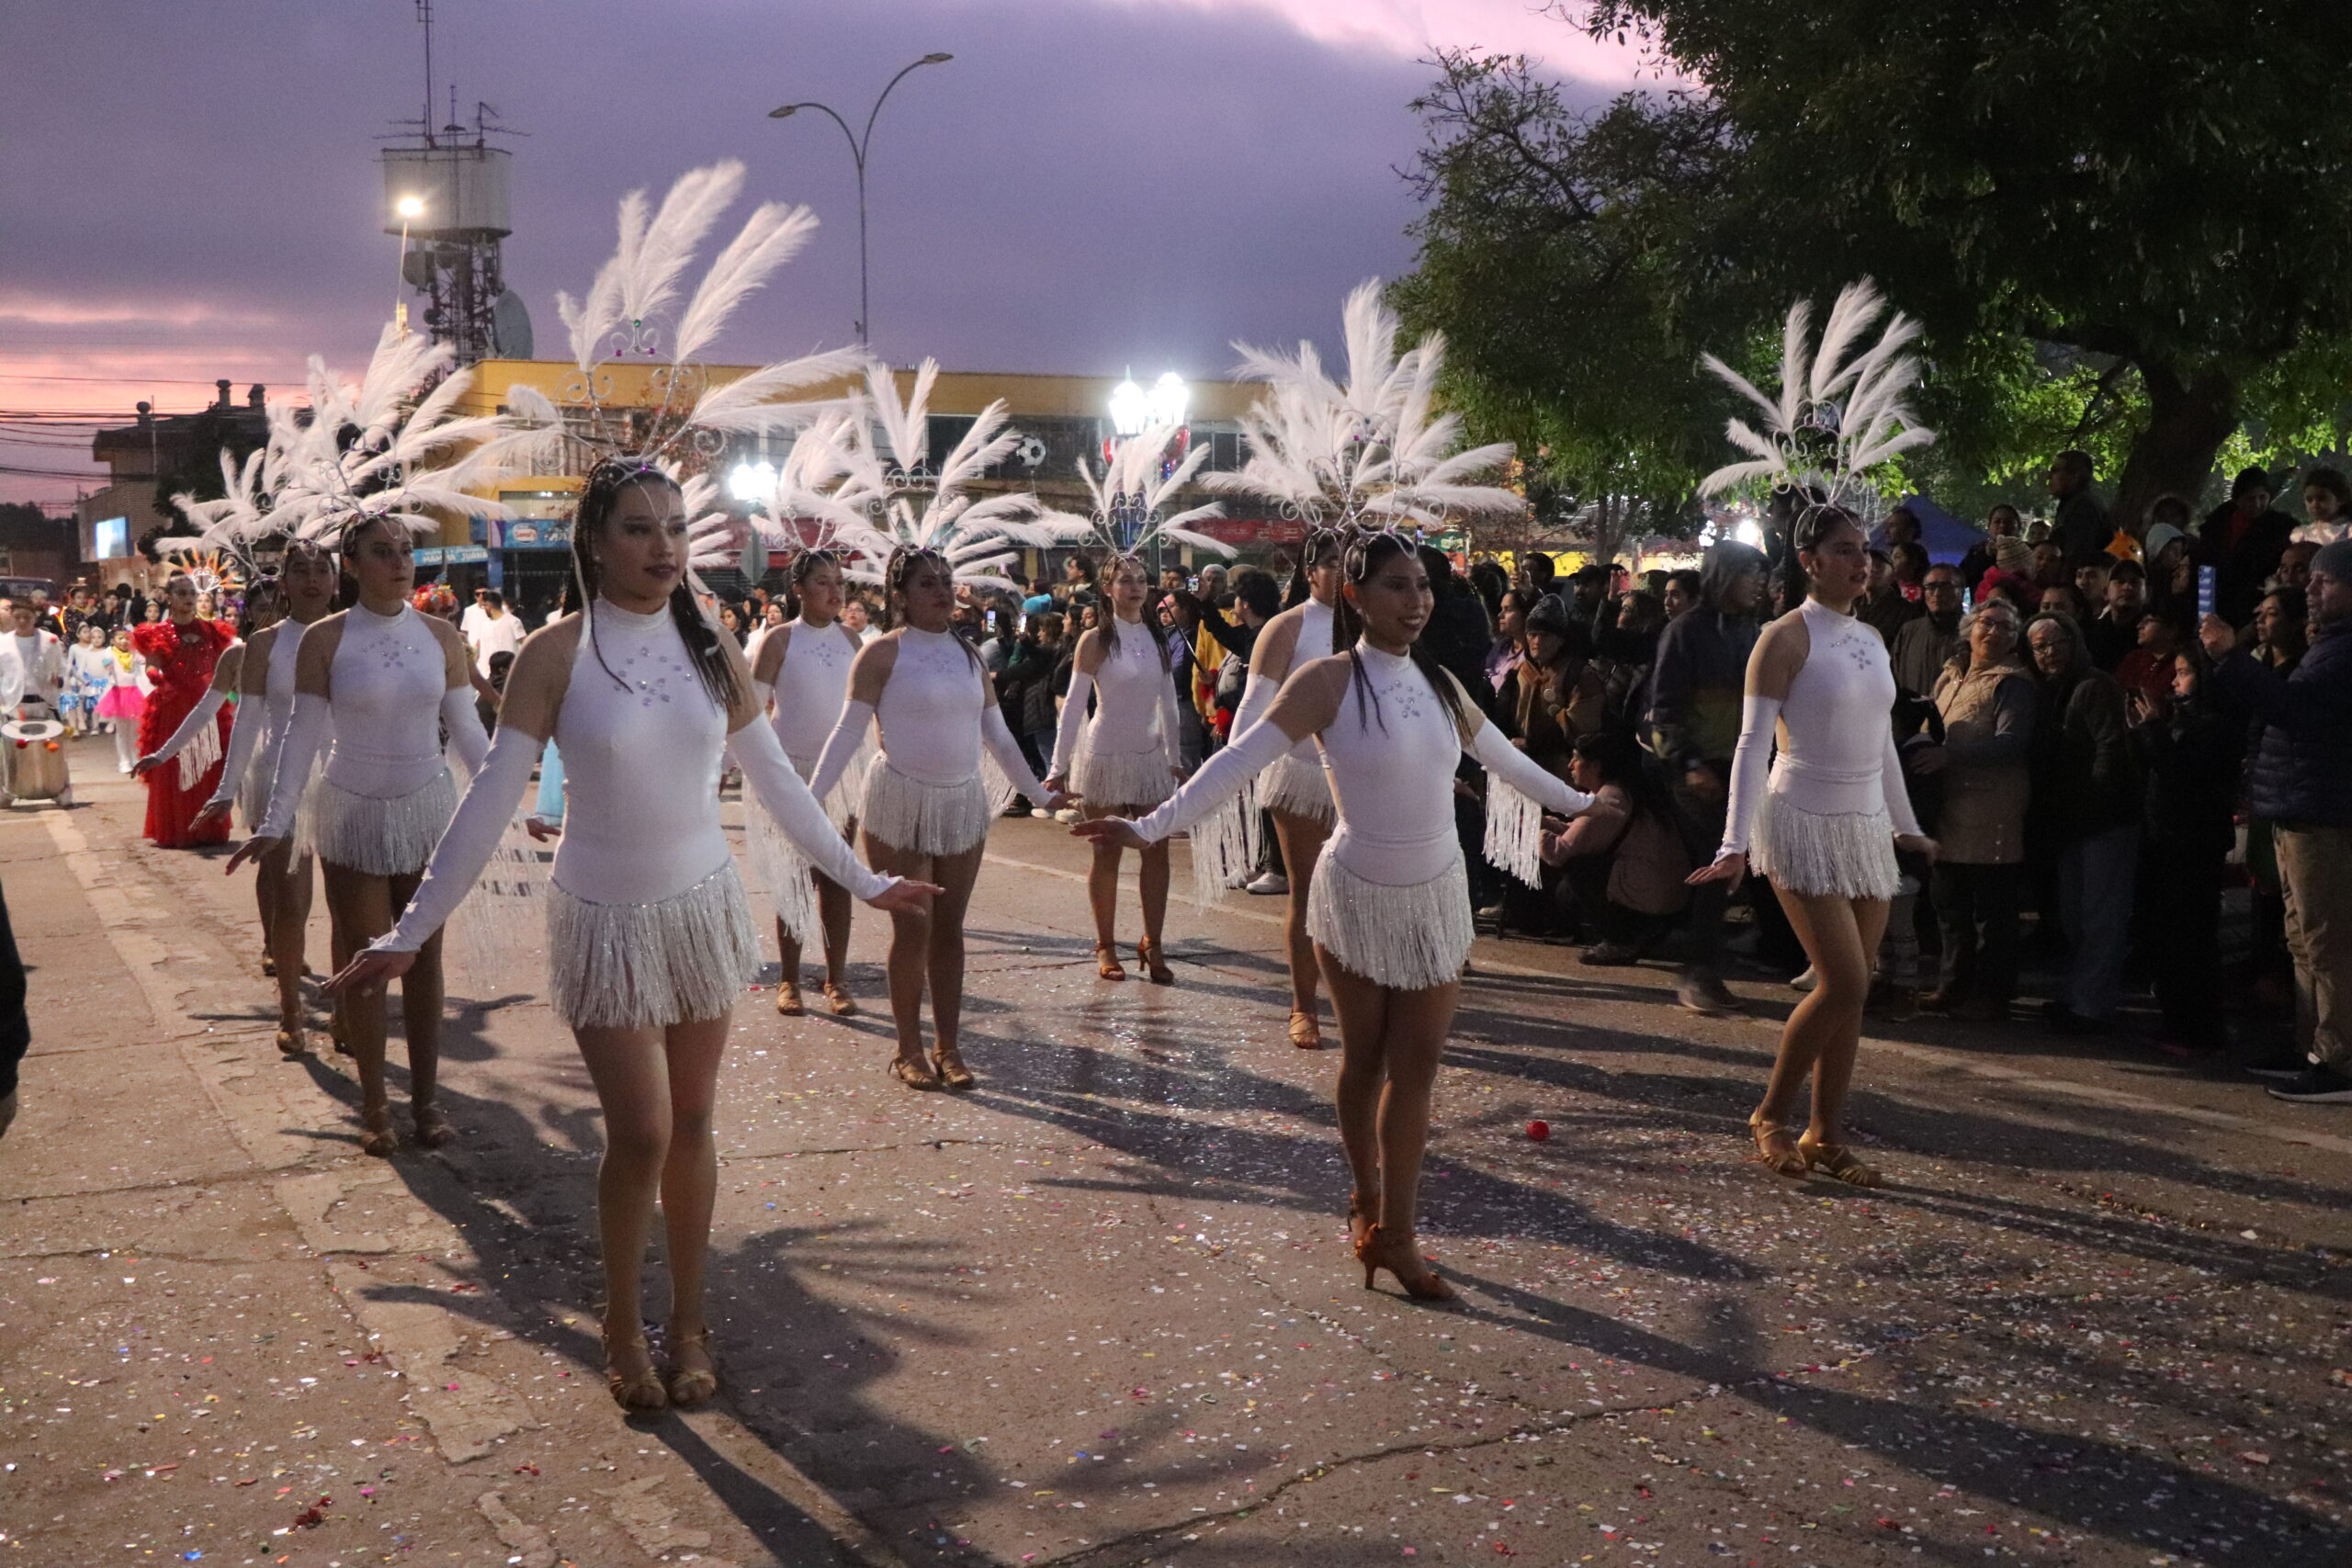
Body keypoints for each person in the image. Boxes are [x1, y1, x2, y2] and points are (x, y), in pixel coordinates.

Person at [329, 462, 937, 1409]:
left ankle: (688, 1318)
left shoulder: (713, 645)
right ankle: (621, 1318)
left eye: (675, 527)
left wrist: (863, 878)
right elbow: (493, 796)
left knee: (692, 1124)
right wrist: (412, 929)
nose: (663, 546)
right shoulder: (554, 654)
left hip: (700, 907)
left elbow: (774, 778)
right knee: (642, 1133)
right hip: (601, 914)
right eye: (640, 528)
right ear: (596, 541)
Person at [1078, 531, 1590, 1299]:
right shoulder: (1326, 681)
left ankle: (1397, 1235)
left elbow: (1508, 765)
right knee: (1366, 1061)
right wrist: (1149, 825)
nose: (1415, 600)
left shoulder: (1444, 684)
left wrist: (1588, 803)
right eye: (1395, 585)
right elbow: (1237, 759)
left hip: (1437, 895)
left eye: (1421, 585)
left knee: (1417, 1067)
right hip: (1354, 892)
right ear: (1355, 594)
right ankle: (1366, 1195)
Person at [1690, 508, 1935, 1187]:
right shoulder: (1783, 637)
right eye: (1844, 550)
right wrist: (1735, 842)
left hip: (1864, 828)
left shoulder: (1871, 639)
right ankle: (1770, 1114)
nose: (1862, 562)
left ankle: (1826, 1131)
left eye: (1867, 551)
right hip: (1800, 818)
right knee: (1846, 980)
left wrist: (1905, 824)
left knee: (1855, 993)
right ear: (1809, 559)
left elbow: (1882, 740)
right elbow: (1749, 744)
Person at [231, 515, 490, 1153]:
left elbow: (470, 734)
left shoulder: (441, 635)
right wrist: (275, 819)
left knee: (425, 959)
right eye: (382, 552)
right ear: (352, 563)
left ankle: (427, 1100)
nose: (400, 563)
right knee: (371, 958)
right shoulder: (326, 638)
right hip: (351, 811)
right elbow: (301, 738)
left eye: (406, 551)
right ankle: (376, 1102)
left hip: (427, 807)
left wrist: (513, 802)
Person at [808, 547, 1063, 1091]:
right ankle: (907, 1049)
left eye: (946, 581)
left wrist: (1042, 796)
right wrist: (809, 801)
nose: (943, 591)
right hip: (898, 800)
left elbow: (996, 735)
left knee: (950, 929)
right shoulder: (880, 654)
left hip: (960, 801)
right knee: (914, 924)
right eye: (928, 583)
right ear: (900, 594)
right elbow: (846, 735)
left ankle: (949, 1045)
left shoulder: (971, 656)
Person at [2203, 538, 2352, 1101]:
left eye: (2325, 581)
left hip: (2326, 814)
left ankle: (2340, 1060)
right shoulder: (2328, 645)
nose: (2309, 590)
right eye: (2309, 580)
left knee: (2327, 940)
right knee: (2302, 938)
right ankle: (2311, 1045)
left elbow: (2298, 712)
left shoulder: (2344, 652)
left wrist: (2229, 659)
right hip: (2299, 809)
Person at [192, 545, 338, 1053]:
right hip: (283, 780)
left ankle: (347, 1009)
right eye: (302, 570)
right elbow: (248, 721)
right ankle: (291, 1010)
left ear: (339, 581)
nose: (314, 580)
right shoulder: (266, 645)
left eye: (324, 570)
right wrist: (226, 789)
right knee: (291, 901)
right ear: (285, 583)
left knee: (348, 909)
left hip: (346, 781)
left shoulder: (352, 635)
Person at [1227, 526, 1347, 1047]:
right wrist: (1230, 773)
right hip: (1299, 776)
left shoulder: (1375, 624)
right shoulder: (1287, 627)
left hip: (1362, 778)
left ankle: (1358, 1003)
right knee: (1308, 891)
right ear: (1310, 571)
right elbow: (1254, 713)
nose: (1343, 572)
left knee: (1356, 895)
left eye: (1352, 562)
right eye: (1333, 563)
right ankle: (1304, 1006)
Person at [1046, 556, 1187, 983]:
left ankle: (1153, 943)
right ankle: (1106, 945)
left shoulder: (1158, 637)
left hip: (1150, 756)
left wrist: (1175, 758)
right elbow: (1072, 706)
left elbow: (1169, 703)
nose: (1136, 587)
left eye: (1142, 580)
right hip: (1104, 753)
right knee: (1106, 852)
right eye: (1125, 580)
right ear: (1107, 588)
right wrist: (1058, 765)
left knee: (1155, 849)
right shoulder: (1096, 638)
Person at [1643, 539, 1769, 1015]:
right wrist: (1688, 764)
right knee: (1716, 869)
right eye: (1747, 574)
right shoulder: (1685, 632)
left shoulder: (1752, 631)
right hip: (1701, 769)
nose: (1757, 583)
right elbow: (1665, 709)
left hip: (1742, 764)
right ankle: (1698, 972)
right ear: (1722, 577)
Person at [751, 549, 867, 1017]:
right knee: (793, 879)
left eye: (839, 582)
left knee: (837, 877)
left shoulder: (853, 642)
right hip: (790, 774)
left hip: (840, 774)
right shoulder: (779, 640)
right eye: (822, 582)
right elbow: (753, 708)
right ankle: (789, 978)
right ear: (798, 588)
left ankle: (836, 979)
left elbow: (865, 711)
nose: (835, 591)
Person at [1913, 600, 2036, 1022]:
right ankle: (1952, 986)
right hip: (1949, 806)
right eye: (1987, 623)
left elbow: (2011, 742)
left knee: (1991, 912)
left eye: (2006, 627)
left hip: (1991, 809)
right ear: (1970, 628)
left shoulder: (2012, 684)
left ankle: (1991, 994)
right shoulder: (1951, 675)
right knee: (1950, 906)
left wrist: (1949, 756)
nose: (1994, 632)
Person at [2024, 612, 2142, 1035]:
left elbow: (2111, 751)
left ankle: (2092, 1007)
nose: (2049, 653)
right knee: (2077, 915)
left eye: (2056, 643)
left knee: (2099, 917)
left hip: (2103, 822)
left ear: (2075, 643)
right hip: (2073, 823)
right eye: (2039, 647)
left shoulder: (2093, 686)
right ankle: (2082, 996)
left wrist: (2093, 803)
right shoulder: (2053, 691)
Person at [2130, 644, 2241, 1056]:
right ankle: (2178, 1020)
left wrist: (2152, 729)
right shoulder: (2184, 719)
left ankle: (2196, 1027)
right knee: (2171, 934)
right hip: (2168, 837)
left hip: (2193, 841)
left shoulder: (2215, 724)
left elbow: (2182, 772)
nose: (2175, 682)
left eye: (2184, 673)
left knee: (2190, 936)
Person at [1542, 729, 1689, 964]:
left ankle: (1620, 940)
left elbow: (1559, 852)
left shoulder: (1609, 799)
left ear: (1596, 766)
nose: (1570, 765)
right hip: (1665, 893)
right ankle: (1637, 932)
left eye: (1576, 758)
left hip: (1653, 896)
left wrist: (1535, 830)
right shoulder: (1623, 790)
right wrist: (1547, 823)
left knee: (1579, 870)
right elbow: (1582, 833)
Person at [130, 575, 236, 846]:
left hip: (207, 706)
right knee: (175, 768)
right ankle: (179, 830)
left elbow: (223, 665)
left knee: (208, 765)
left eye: (192, 593)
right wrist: (155, 676)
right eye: (182, 593)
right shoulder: (157, 633)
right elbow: (150, 665)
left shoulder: (213, 631)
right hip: (174, 707)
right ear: (170, 597)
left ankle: (209, 829)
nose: (188, 598)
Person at [2203, 466, 2296, 628]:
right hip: (2216, 603)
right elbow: (2206, 567)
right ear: (2237, 499)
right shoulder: (2216, 525)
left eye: (2263, 497)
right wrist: (2203, 612)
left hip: (2255, 608)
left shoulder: (2280, 529)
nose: (2257, 504)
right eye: (2250, 498)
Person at [1892, 564, 1964, 699]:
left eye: (1945, 586)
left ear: (1961, 592)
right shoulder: (1909, 631)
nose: (1937, 593)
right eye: (1931, 587)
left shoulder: (1973, 633)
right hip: (1916, 715)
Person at [2048, 450, 2111, 570]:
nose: (2049, 476)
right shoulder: (2073, 503)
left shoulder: (2084, 507)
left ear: (2076, 474)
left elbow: (2076, 558)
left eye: (2055, 470)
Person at [1857, 547, 1921, 645]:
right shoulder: (1848, 605)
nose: (1872, 570)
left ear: (1893, 575)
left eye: (1879, 566)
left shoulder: (1906, 612)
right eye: (1868, 565)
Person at [1957, 503, 2021, 592]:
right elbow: (1961, 580)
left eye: (2008, 522)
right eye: (1997, 522)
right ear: (1989, 527)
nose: (2002, 525)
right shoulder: (1977, 551)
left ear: (2018, 527)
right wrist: (1985, 555)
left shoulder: (2029, 553)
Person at [465, 590, 525, 684]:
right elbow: (478, 647)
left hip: (508, 674)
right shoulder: (484, 624)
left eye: (484, 606)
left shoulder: (513, 622)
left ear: (489, 606)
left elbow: (525, 644)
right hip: (486, 674)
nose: (484, 609)